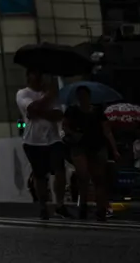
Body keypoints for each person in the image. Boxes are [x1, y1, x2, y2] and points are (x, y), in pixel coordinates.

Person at [16, 69, 70, 220]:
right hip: (33, 140)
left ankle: (59, 204)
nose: (39, 77)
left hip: (53, 139)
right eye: (36, 73)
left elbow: (58, 115)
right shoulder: (23, 93)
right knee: (40, 175)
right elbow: (30, 109)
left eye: (41, 74)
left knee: (59, 170)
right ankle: (43, 206)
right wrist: (48, 98)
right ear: (28, 76)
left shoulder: (51, 94)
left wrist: (40, 108)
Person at [63, 85, 118, 222]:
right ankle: (83, 205)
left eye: (85, 95)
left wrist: (114, 149)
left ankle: (100, 209)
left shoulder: (98, 112)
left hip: (97, 145)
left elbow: (107, 130)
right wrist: (73, 134)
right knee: (83, 176)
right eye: (80, 96)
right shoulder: (72, 111)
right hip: (80, 145)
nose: (83, 99)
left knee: (99, 178)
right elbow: (65, 125)